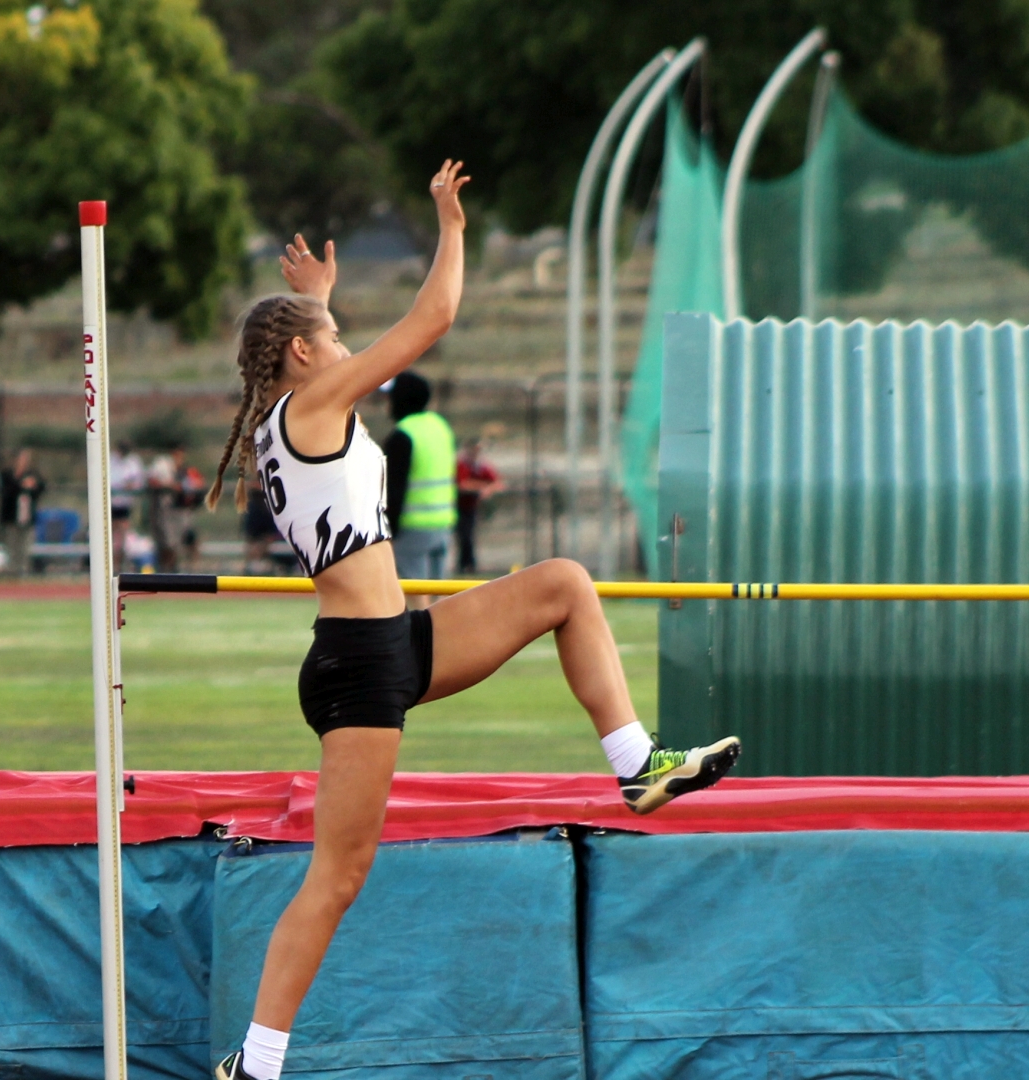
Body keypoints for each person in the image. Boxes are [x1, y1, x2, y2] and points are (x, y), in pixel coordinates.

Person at [202, 161, 741, 1080]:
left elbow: (336, 357)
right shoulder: (316, 402)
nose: (343, 347)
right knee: (337, 878)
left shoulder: (291, 415)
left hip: (399, 641)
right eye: (330, 337)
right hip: (362, 664)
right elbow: (433, 322)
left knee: (564, 584)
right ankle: (255, 1065)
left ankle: (636, 768)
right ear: (301, 357)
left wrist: (320, 302)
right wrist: (450, 227)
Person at [381, 371, 455, 607]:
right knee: (439, 595)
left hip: (412, 527)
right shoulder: (440, 426)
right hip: (442, 524)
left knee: (416, 595)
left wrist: (387, 530)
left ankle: (423, 643)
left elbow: (395, 489)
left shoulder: (403, 435)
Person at [454, 437, 504, 574]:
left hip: (472, 507)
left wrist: (487, 489)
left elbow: (497, 483)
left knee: (469, 536)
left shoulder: (481, 466)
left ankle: (469, 565)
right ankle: (464, 565)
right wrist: (481, 486)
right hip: (458, 506)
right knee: (464, 536)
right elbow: (463, 485)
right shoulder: (461, 465)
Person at [0, 448, 46, 577]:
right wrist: (21, 484)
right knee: (12, 548)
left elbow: (41, 487)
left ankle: (23, 574)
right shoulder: (8, 474)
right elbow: (8, 489)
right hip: (11, 518)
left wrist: (32, 485)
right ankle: (10, 574)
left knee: (25, 549)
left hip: (27, 518)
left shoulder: (32, 474)